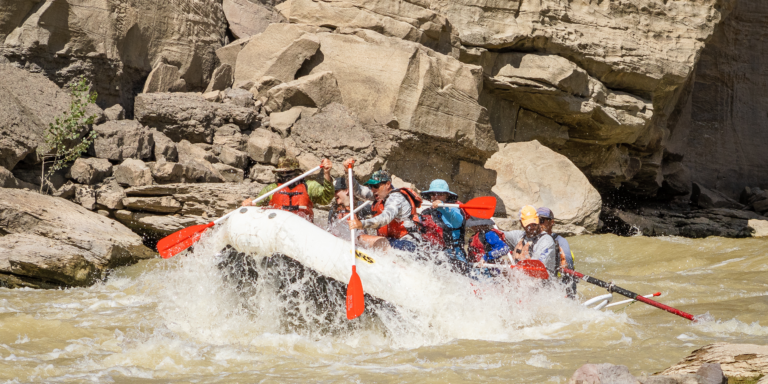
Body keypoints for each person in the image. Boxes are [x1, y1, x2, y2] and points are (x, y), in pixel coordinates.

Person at [348, 170, 422, 252]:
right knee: (363, 239)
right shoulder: (381, 195)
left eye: (376, 186)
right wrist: (347, 172)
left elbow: (385, 218)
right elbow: (357, 190)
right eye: (370, 186)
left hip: (409, 244)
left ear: (387, 184)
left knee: (362, 238)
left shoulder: (396, 198)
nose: (373, 190)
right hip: (396, 242)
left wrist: (362, 224)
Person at [241, 156, 334, 222]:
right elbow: (256, 206)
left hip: (303, 228)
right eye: (282, 172)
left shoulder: (309, 186)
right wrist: (249, 204)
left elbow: (326, 198)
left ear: (296, 172)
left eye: (288, 172)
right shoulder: (271, 189)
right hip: (278, 228)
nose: (285, 176)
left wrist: (326, 174)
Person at [503, 205, 558, 277]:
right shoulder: (519, 236)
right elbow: (498, 234)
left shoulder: (546, 240)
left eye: (534, 224)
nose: (531, 227)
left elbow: (537, 269)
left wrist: (523, 261)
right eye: (528, 225)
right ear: (521, 223)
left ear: (538, 220)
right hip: (522, 280)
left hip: (542, 284)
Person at [420, 179, 467, 263]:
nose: (436, 197)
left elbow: (458, 221)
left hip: (454, 257)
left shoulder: (454, 209)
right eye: (433, 194)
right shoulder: (426, 212)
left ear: (447, 196)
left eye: (440, 194)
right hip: (432, 255)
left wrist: (442, 207)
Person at [537, 207, 577, 298]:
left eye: (542, 220)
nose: (539, 224)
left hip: (560, 285)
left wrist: (568, 292)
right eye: (537, 221)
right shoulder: (532, 240)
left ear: (551, 222)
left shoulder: (561, 242)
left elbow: (569, 267)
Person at [327, 175, 373, 240]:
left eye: (336, 191)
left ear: (346, 191)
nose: (334, 195)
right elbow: (329, 230)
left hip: (359, 244)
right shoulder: (333, 210)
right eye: (333, 192)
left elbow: (376, 211)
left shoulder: (360, 206)